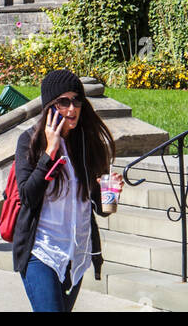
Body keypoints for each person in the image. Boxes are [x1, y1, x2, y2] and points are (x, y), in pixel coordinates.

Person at [13, 69, 115, 312]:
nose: (72, 109)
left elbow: (100, 209)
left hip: (76, 255)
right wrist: (50, 151)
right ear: (50, 105)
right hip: (41, 251)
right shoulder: (30, 142)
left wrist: (109, 194)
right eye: (63, 102)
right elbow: (27, 196)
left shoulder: (86, 144)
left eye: (76, 100)